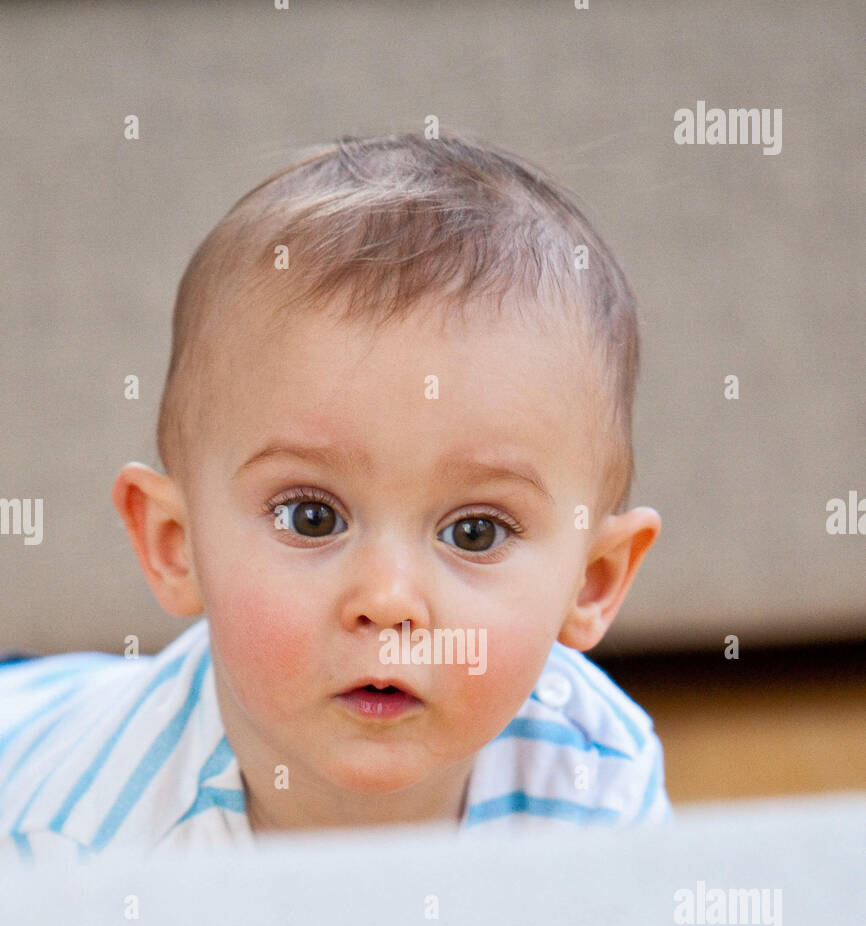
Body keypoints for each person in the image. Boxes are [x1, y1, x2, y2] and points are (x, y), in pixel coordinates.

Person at [0, 131, 671, 862]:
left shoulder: (595, 775)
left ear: (593, 581)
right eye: (311, 517)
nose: (386, 601)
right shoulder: (82, 846)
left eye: (475, 531)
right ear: (174, 543)